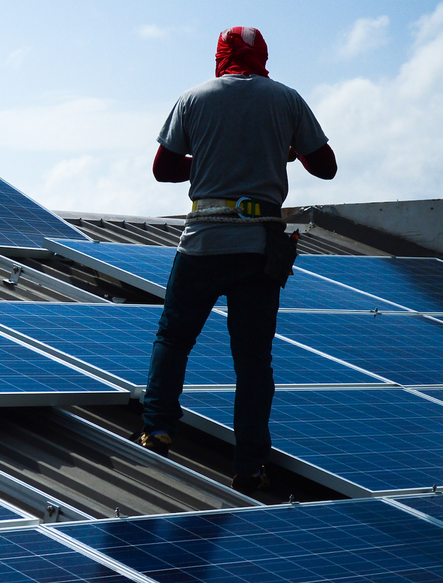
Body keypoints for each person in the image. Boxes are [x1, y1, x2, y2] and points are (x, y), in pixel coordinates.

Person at [136, 26, 337, 492]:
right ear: (263, 56)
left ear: (220, 56)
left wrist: (209, 157)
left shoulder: (193, 99)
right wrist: (278, 153)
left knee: (174, 337)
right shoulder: (286, 99)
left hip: (203, 242)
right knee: (252, 361)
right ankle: (248, 464)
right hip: (258, 247)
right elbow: (325, 166)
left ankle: (158, 427)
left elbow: (164, 170)